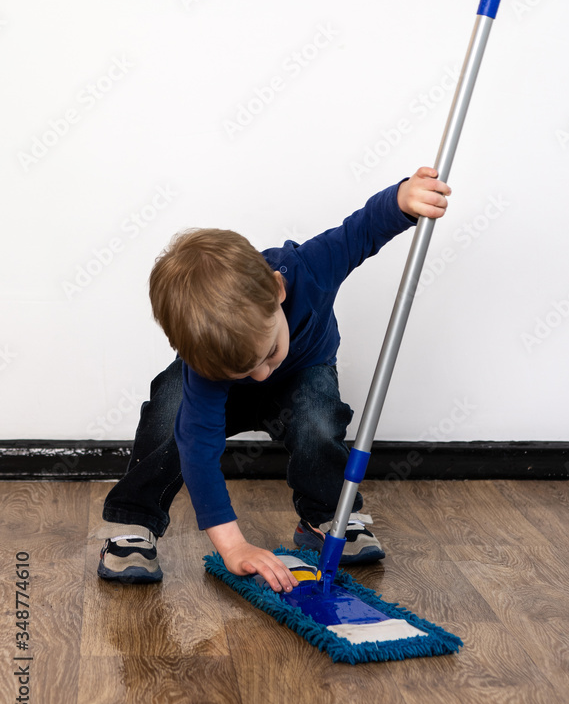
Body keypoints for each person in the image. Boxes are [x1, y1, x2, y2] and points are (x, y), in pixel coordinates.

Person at [98, 167, 451, 593]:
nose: (262, 374)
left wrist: (401, 199)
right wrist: (233, 547)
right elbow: (200, 455)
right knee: (169, 413)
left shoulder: (311, 269)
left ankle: (326, 516)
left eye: (267, 354)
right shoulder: (206, 371)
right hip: (220, 398)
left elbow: (359, 231)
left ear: (277, 291)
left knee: (318, 418)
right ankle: (136, 521)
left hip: (302, 380)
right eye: (244, 369)